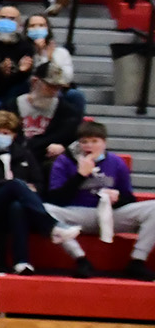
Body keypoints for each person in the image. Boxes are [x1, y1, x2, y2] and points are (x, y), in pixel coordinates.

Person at [0, 109, 88, 276]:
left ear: (13, 135)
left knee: (17, 206)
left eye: (6, 133)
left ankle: (22, 262)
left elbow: (39, 183)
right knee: (15, 184)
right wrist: (7, 183)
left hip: (19, 204)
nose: (1, 135)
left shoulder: (25, 154)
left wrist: (30, 188)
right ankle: (52, 226)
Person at [44, 120, 155, 280]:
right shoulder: (64, 161)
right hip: (77, 214)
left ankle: (137, 261)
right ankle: (81, 259)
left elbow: (129, 198)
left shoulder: (116, 162)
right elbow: (57, 199)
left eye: (95, 141)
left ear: (104, 143)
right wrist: (80, 176)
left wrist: (118, 197)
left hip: (110, 214)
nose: (89, 146)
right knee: (45, 209)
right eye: (84, 141)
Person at [14, 63, 82, 165]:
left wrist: (63, 148)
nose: (54, 91)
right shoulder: (13, 106)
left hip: (47, 161)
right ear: (35, 81)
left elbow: (78, 141)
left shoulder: (67, 112)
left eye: (58, 87)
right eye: (50, 86)